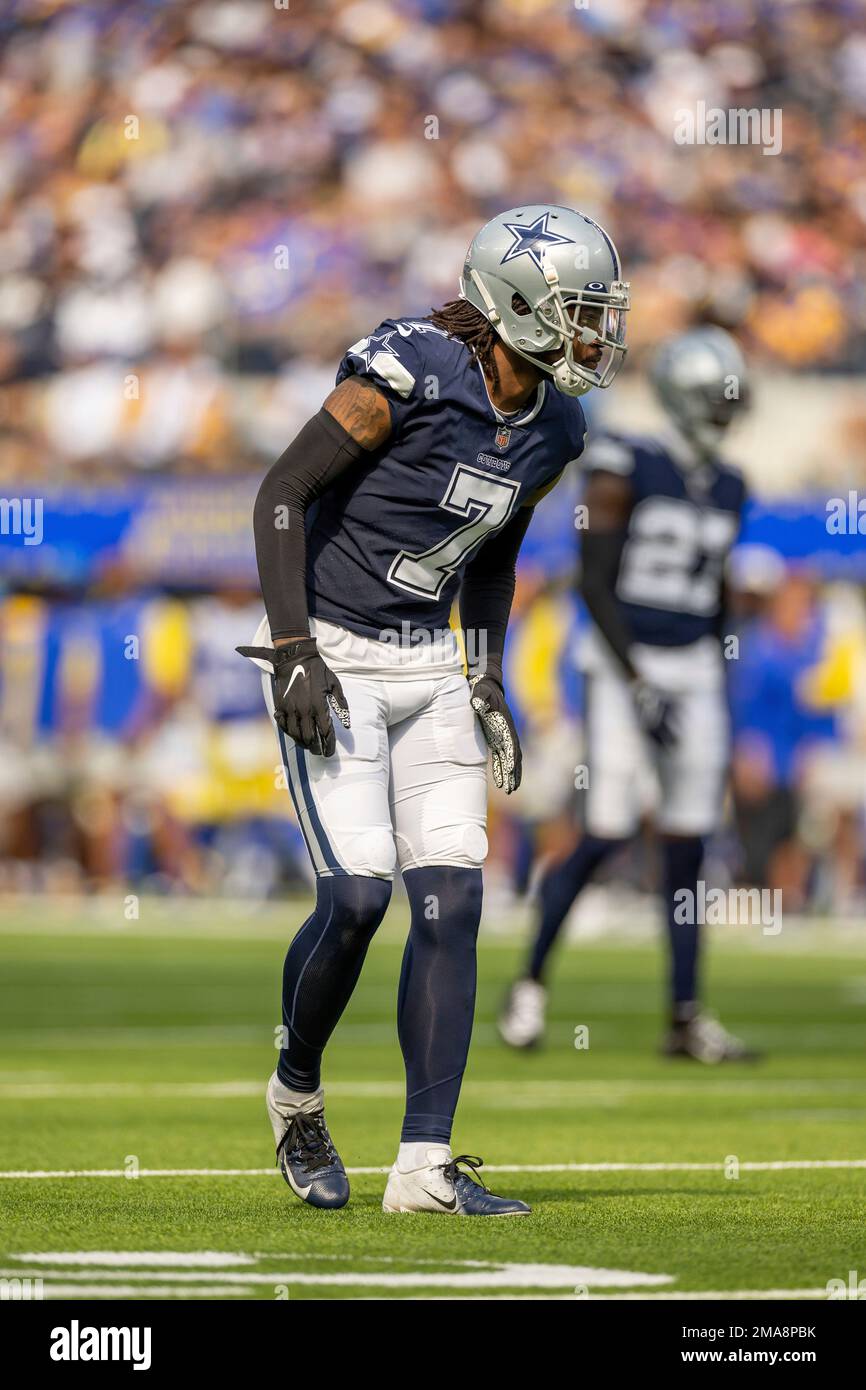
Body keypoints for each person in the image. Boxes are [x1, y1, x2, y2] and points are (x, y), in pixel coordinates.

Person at [238, 205, 629, 1212]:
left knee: (451, 902)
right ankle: (295, 1099)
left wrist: (487, 671)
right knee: (359, 898)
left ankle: (423, 1165)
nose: (593, 333)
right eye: (575, 312)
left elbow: (490, 548)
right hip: (333, 651)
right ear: (511, 305)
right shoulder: (410, 372)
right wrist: (290, 649)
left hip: (432, 665)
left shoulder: (559, 427)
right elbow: (280, 492)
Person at [500, 326, 758, 1064]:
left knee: (688, 844)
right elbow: (593, 580)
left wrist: (711, 673)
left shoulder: (733, 483)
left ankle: (684, 1015)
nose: (725, 411)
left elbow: (713, 601)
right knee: (607, 828)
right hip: (621, 661)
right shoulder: (626, 461)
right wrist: (639, 681)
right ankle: (530, 985)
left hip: (695, 669)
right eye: (714, 397)